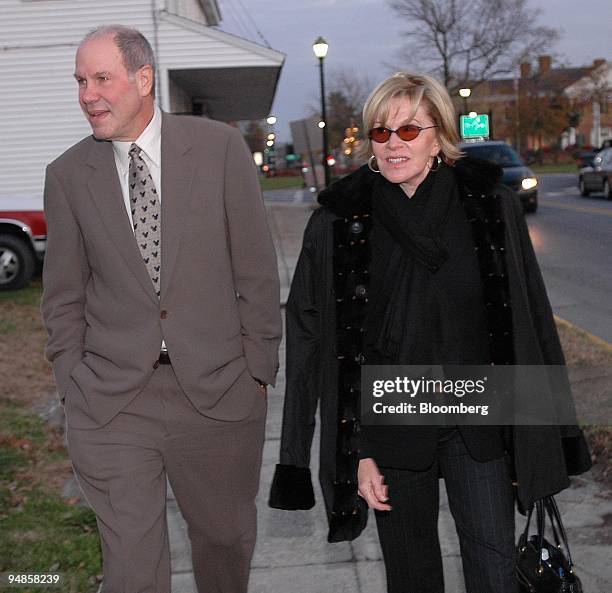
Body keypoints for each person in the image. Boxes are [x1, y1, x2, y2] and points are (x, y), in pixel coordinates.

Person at [269, 72, 590, 593]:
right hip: (392, 414)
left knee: (494, 570)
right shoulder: (341, 221)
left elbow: (527, 315)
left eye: (409, 131)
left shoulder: (488, 207)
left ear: (439, 136)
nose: (394, 144)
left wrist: (546, 433)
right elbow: (314, 341)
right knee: (411, 575)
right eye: (381, 133)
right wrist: (357, 452)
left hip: (477, 412)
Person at [41, 25, 281, 593]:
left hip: (219, 392)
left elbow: (256, 270)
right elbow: (63, 297)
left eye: (102, 78)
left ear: (143, 79)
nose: (87, 94)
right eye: (80, 81)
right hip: (113, 401)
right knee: (131, 568)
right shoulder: (68, 176)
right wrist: (72, 382)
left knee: (224, 544)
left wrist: (257, 371)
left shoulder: (219, 149)